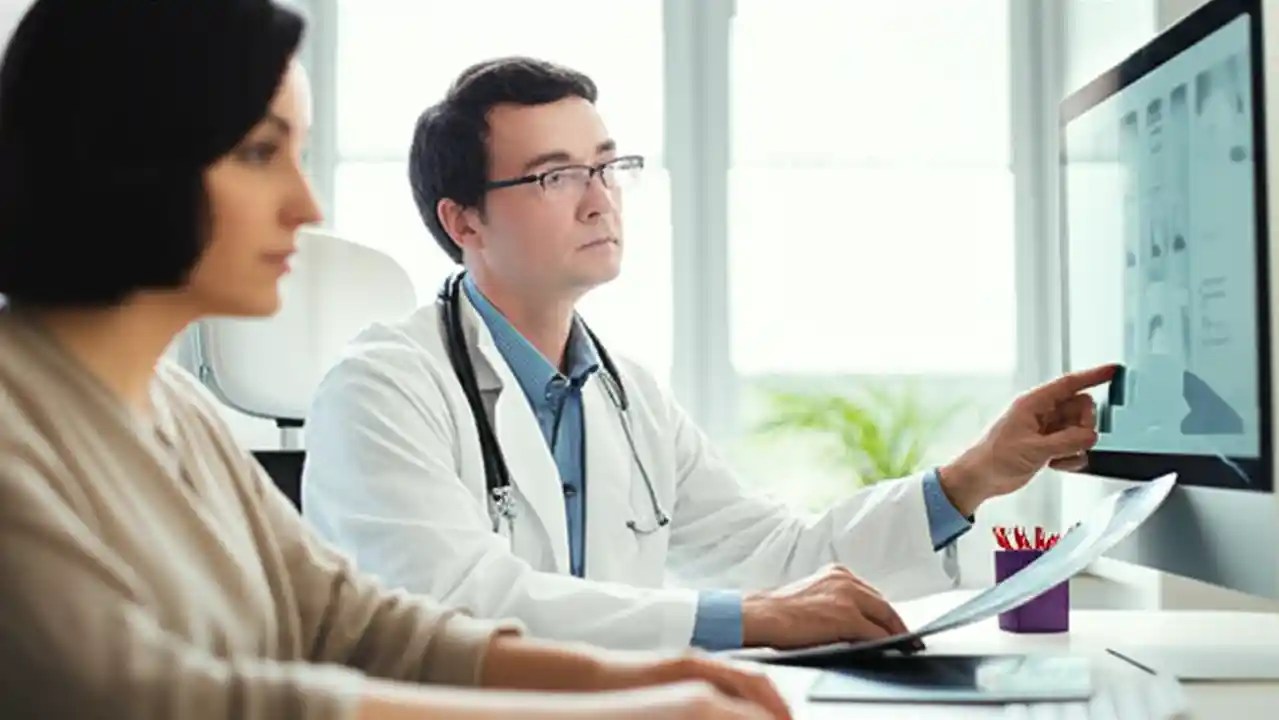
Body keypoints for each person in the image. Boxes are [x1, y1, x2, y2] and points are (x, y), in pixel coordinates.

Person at [0, 4, 791, 719]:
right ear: (123, 157)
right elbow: (145, 699)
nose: (306, 207)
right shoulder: (16, 424)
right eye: (258, 153)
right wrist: (620, 713)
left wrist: (643, 681)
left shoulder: (178, 413)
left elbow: (352, 622)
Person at [302, 56, 1114, 653]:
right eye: (555, 178)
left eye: (607, 166)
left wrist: (975, 474)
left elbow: (780, 557)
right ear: (463, 222)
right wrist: (747, 618)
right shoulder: (382, 387)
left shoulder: (628, 395)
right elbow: (454, 605)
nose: (599, 198)